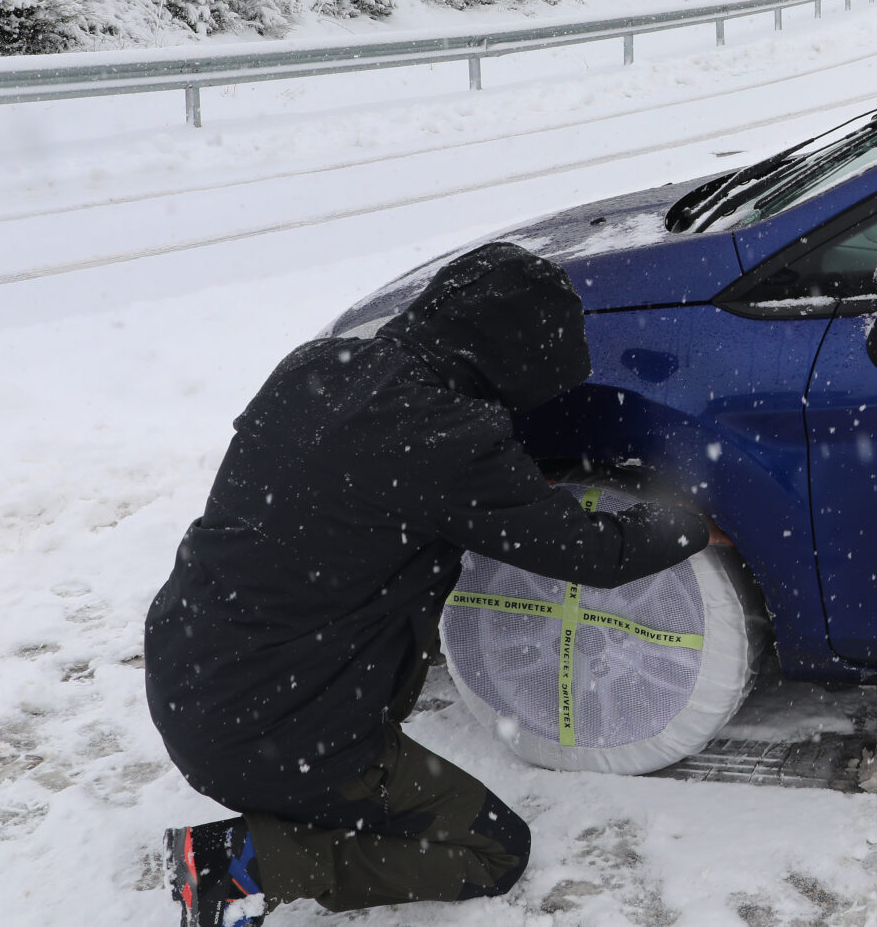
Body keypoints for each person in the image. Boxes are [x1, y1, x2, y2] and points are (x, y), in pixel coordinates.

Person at [145, 242, 716, 926]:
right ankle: (244, 863)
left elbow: (365, 488)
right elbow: (593, 551)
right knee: (494, 850)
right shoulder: (445, 436)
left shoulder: (316, 366)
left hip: (186, 673)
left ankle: (286, 805)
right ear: (515, 358)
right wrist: (690, 521)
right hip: (277, 732)